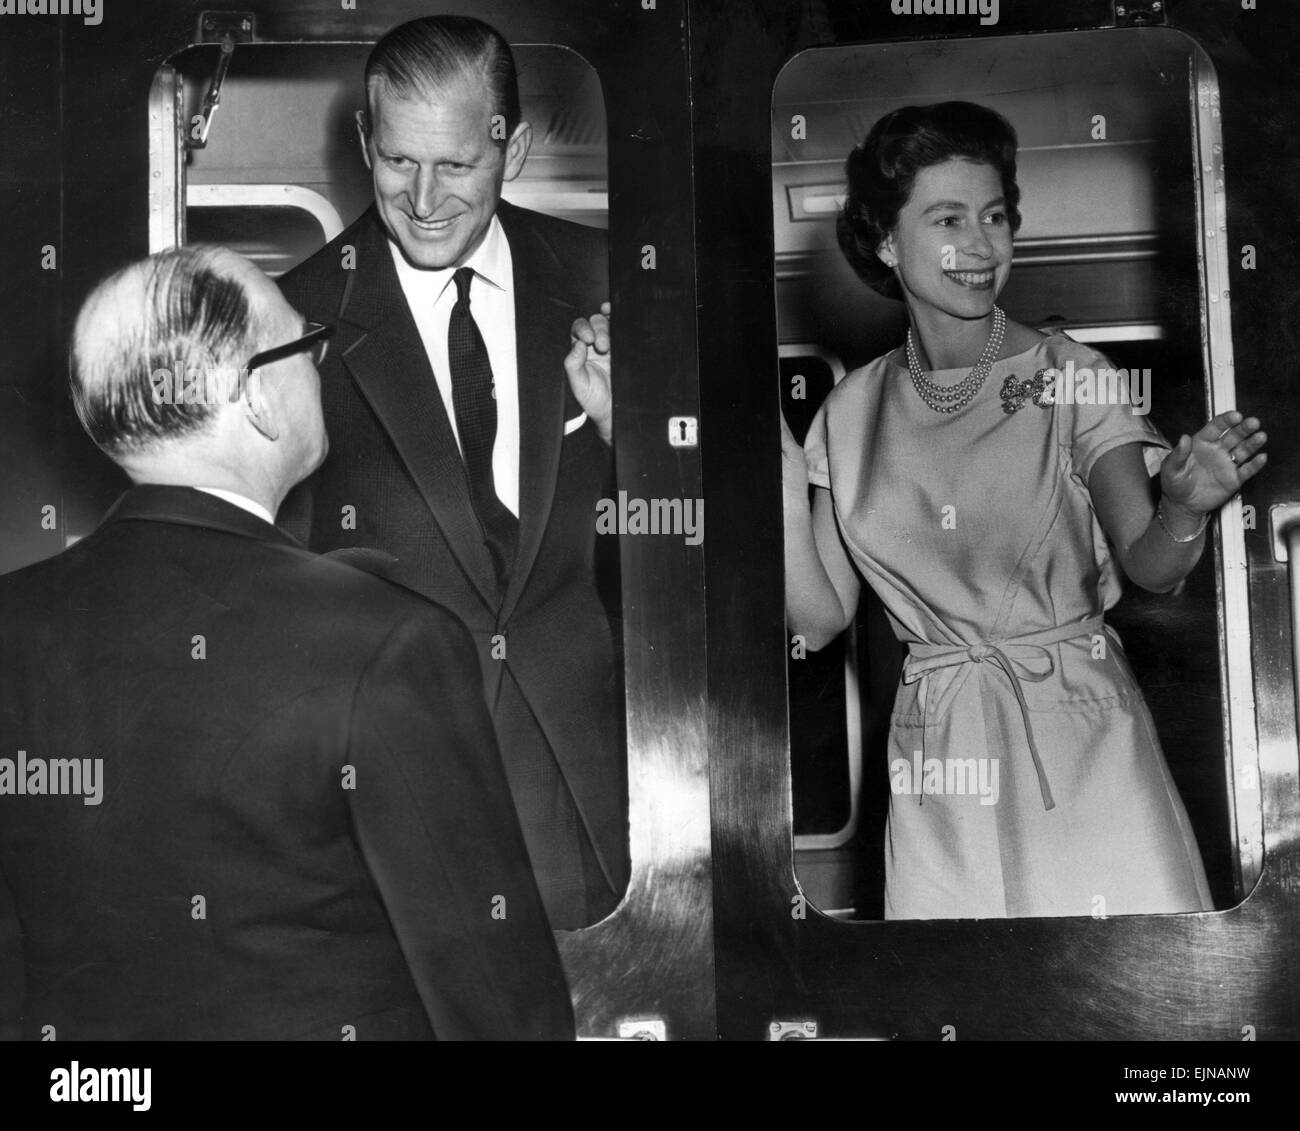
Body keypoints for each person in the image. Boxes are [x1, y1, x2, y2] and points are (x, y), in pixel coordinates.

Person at [0, 246, 573, 1040]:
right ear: (259, 397)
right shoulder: (391, 641)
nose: (321, 363)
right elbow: (496, 999)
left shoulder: (14, 624)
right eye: (307, 341)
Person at [782, 101, 1267, 920]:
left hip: (1080, 737)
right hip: (940, 756)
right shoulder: (850, 411)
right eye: (948, 219)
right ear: (886, 242)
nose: (981, 245)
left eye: (996, 217)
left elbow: (1150, 564)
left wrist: (1184, 506)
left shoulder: (1069, 374)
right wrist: (783, 488)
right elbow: (820, 618)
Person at [277, 15, 625, 930]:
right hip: (395, 798)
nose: (424, 199)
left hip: (584, 781)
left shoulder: (608, 281)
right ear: (365, 143)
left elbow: (691, 552)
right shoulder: (294, 321)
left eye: (457, 165)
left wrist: (634, 438)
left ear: (511, 148)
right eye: (399, 162)